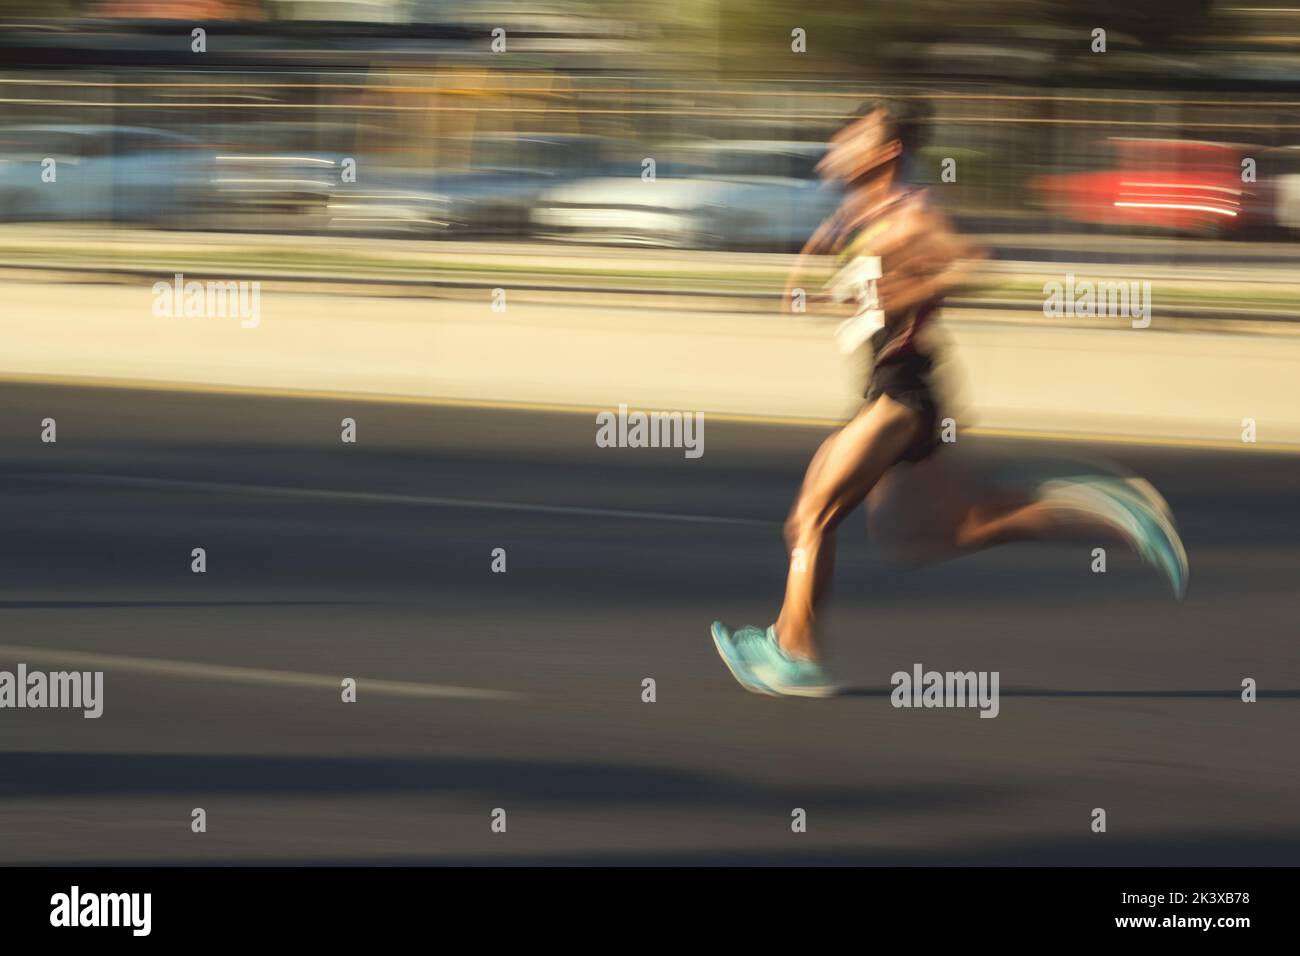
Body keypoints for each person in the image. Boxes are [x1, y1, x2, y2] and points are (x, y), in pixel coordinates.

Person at [710, 98, 1187, 698]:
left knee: (814, 517)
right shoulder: (862, 213)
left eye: (853, 138)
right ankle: (1106, 508)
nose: (838, 147)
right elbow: (840, 282)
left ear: (886, 152)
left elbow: (974, 264)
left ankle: (795, 653)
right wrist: (818, 275)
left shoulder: (914, 212)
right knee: (933, 535)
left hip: (903, 394)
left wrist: (909, 286)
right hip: (883, 392)